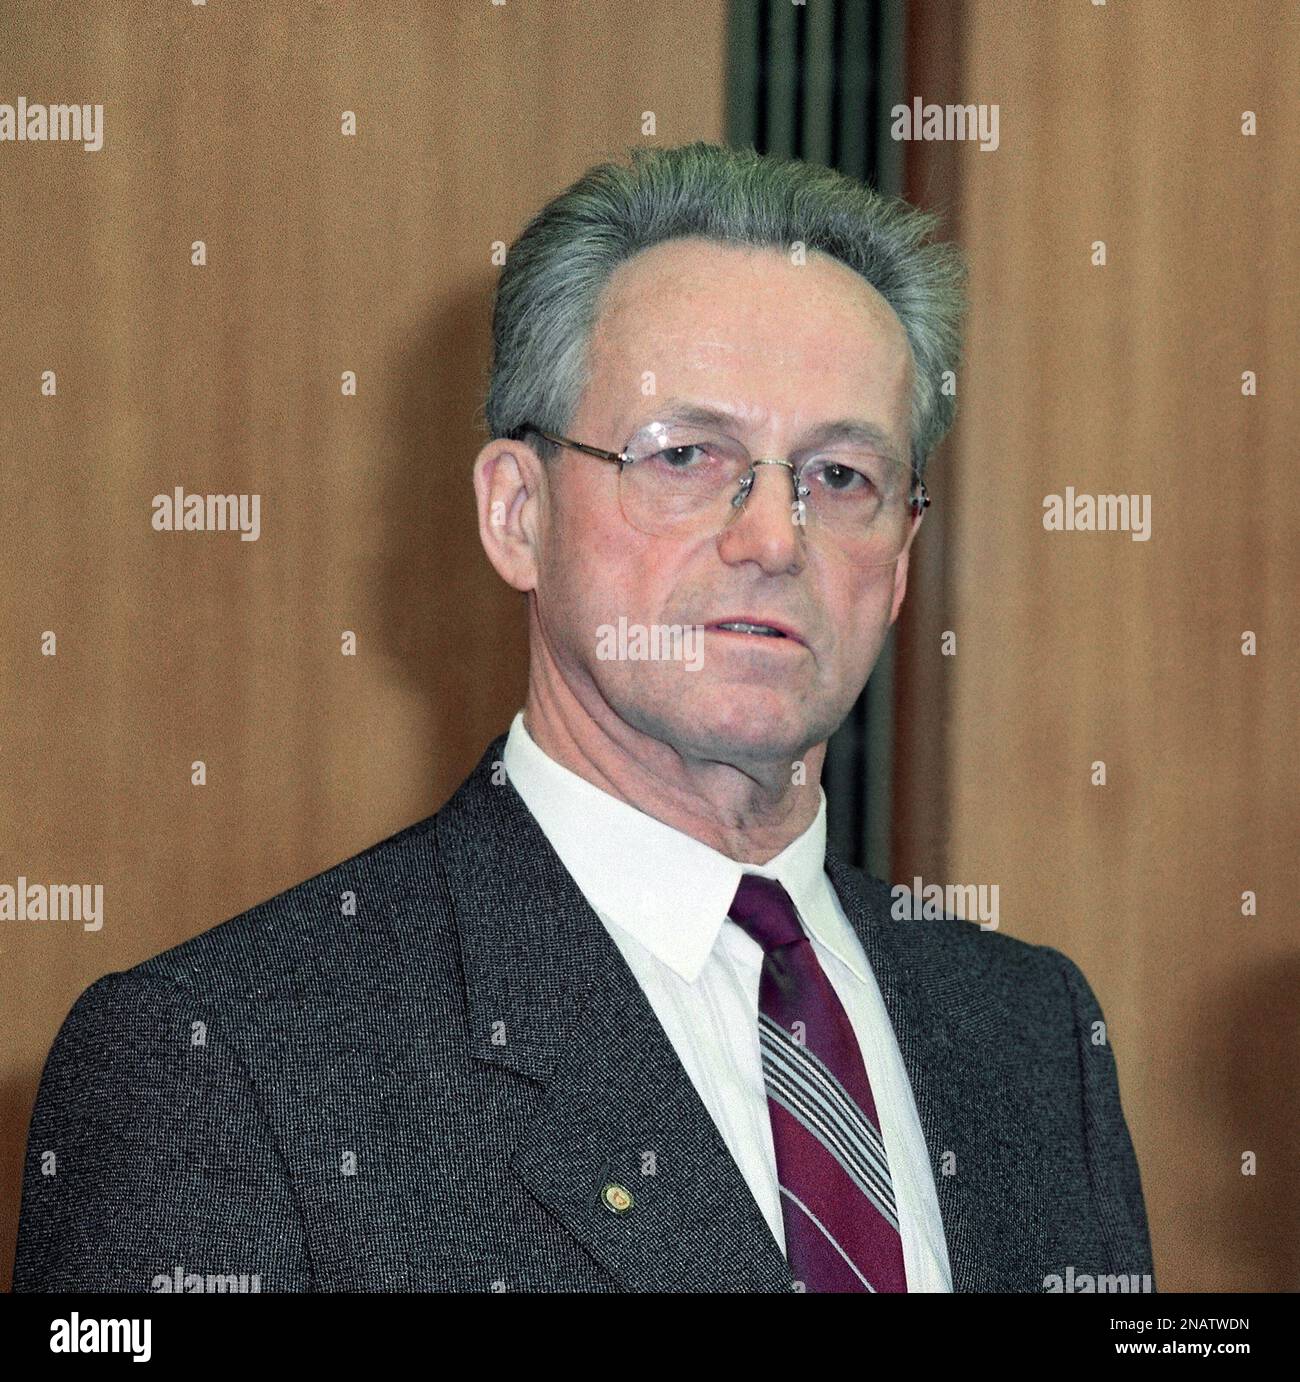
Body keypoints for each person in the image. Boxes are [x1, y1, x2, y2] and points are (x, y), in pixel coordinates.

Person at [14, 142, 1154, 1293]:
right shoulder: (224, 1062)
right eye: (686, 454)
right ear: (518, 513)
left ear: (900, 563)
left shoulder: (1029, 1032)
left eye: (842, 475)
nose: (772, 536)